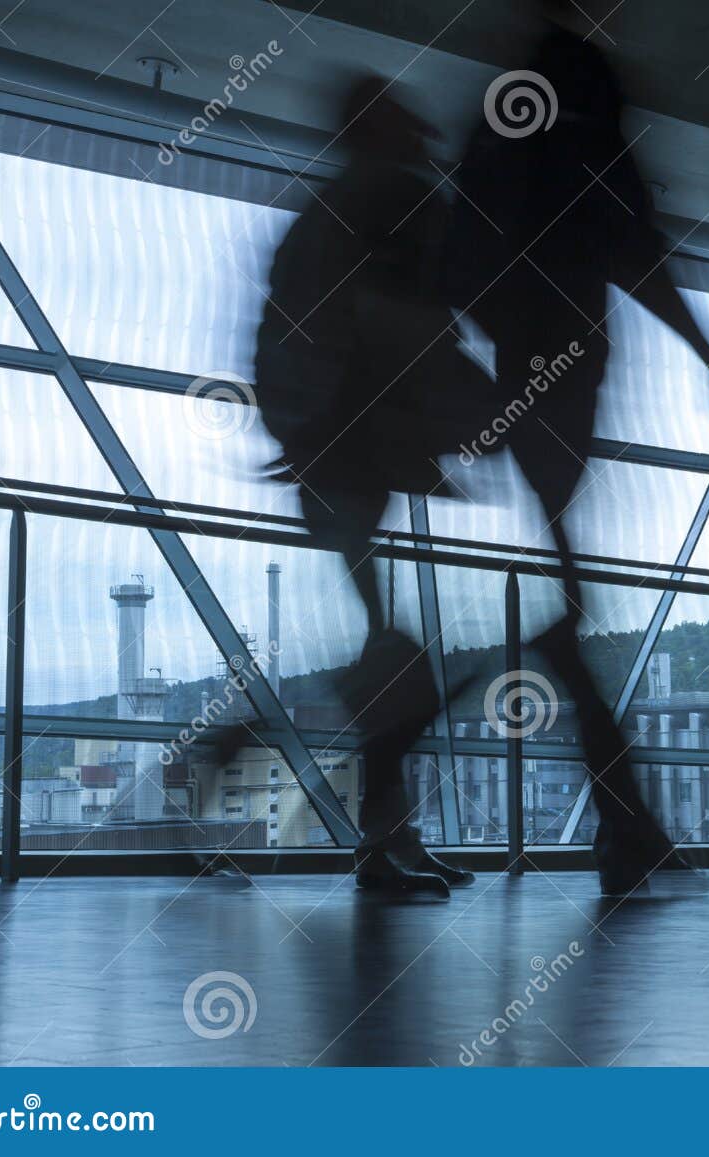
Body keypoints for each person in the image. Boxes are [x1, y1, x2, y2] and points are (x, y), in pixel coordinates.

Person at [449, 1, 709, 896]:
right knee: (562, 617)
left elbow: (462, 254)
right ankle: (626, 828)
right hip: (565, 380)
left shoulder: (505, 127)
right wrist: (702, 351)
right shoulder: (587, 120)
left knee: (563, 613)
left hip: (523, 377)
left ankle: (627, 826)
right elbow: (635, 250)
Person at [229, 75, 493, 898]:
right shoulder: (383, 210)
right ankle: (380, 842)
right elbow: (416, 319)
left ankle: (385, 838)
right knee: (396, 659)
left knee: (391, 653)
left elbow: (299, 335)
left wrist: (303, 434)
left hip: (339, 455)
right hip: (354, 455)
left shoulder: (328, 220)